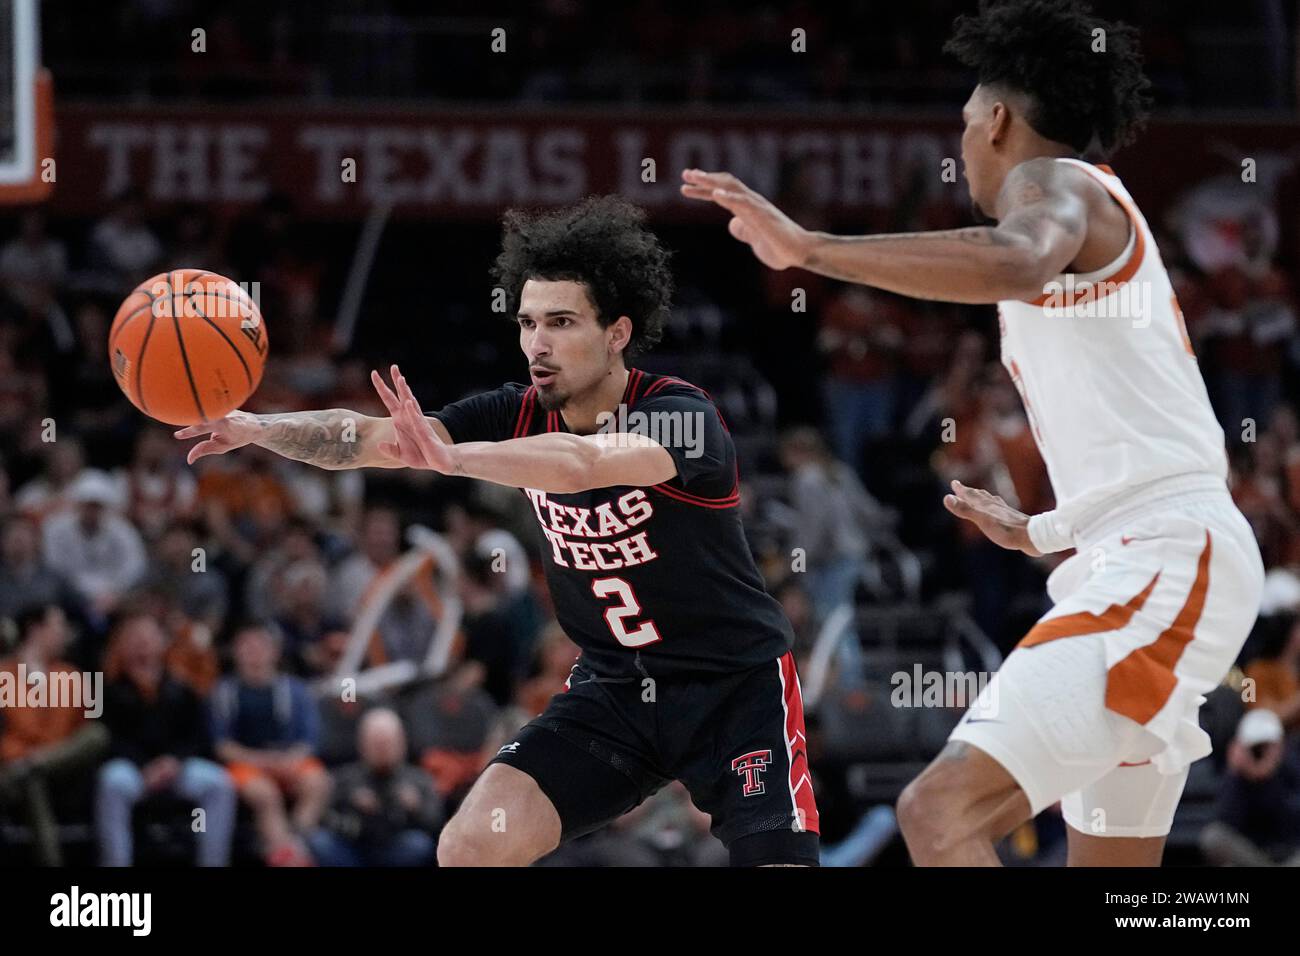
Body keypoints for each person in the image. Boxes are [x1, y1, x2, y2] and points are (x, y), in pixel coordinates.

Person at [682, 0, 1264, 867]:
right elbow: (1147, 439)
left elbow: (1021, 257)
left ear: (995, 120)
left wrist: (811, 248)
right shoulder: (1098, 220)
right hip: (1138, 557)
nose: (962, 149)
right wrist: (1041, 529)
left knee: (938, 812)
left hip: (1162, 565)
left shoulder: (1056, 182)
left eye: (964, 124)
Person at [174, 196, 819, 867]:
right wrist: (260, 429)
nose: (538, 344)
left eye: (562, 322)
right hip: (616, 691)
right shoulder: (512, 412)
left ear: (617, 332)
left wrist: (452, 458)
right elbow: (370, 437)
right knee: (471, 844)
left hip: (732, 689)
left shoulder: (684, 418)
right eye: (528, 323)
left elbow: (582, 462)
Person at [96, 613, 236, 867]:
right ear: (122, 644)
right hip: (133, 770)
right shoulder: (106, 688)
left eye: (149, 637)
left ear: (163, 643)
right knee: (112, 781)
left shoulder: (182, 687)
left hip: (176, 769)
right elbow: (106, 740)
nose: (143, 644)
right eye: (135, 638)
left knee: (219, 783)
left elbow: (199, 737)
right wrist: (142, 766)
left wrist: (174, 761)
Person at [210, 623, 329, 866]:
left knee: (318, 782)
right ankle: (285, 856)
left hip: (288, 759)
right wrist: (260, 761)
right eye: (247, 647)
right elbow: (222, 745)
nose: (254, 653)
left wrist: (288, 761)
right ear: (235, 653)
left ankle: (295, 841)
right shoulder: (223, 692)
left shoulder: (295, 690)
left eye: (260, 647)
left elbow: (309, 739)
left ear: (274, 652)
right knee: (265, 795)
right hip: (246, 763)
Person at [0, 604, 108, 866]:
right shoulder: (3, 674)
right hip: (16, 775)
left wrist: (40, 759)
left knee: (98, 733)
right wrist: (26, 758)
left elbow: (84, 733)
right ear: (35, 630)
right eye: (58, 626)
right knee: (31, 781)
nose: (65, 634)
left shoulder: (72, 675)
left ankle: (33, 766)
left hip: (65, 770)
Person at [308, 708, 442, 867]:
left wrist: (416, 808)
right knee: (321, 842)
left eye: (387, 744)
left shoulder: (419, 779)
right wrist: (352, 809)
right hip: (353, 848)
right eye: (377, 744)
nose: (383, 751)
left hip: (395, 847)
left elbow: (437, 823)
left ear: (401, 743)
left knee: (418, 844)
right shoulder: (344, 778)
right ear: (362, 744)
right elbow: (325, 818)